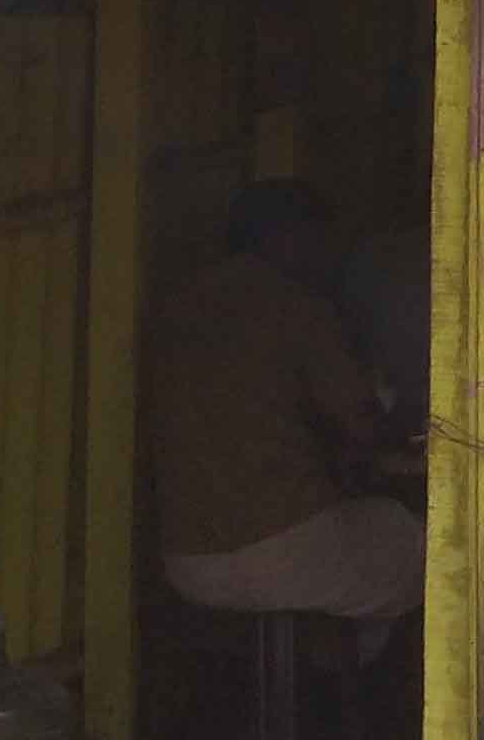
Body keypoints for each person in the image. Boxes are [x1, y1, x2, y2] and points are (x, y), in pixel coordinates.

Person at [153, 180, 424, 644]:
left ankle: (320, 668)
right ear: (290, 238)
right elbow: (362, 425)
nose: (329, 258)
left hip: (186, 564)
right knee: (429, 545)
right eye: (322, 240)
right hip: (285, 551)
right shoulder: (295, 306)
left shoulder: (177, 308)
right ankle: (356, 677)